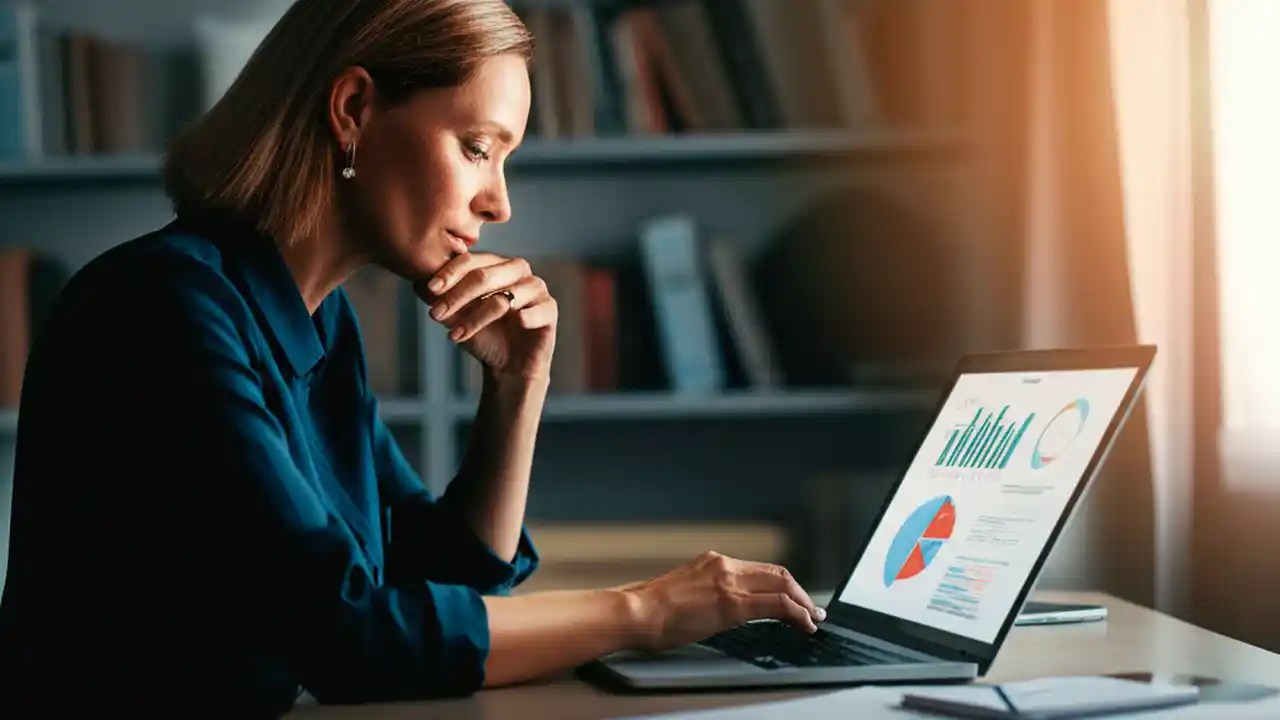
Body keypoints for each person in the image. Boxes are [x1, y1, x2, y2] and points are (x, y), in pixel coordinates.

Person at [0, 0, 824, 715]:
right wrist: (644, 611)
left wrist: (517, 383)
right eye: (477, 147)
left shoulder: (319, 323)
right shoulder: (164, 308)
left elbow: (443, 582)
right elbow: (352, 636)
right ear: (354, 108)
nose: (499, 200)